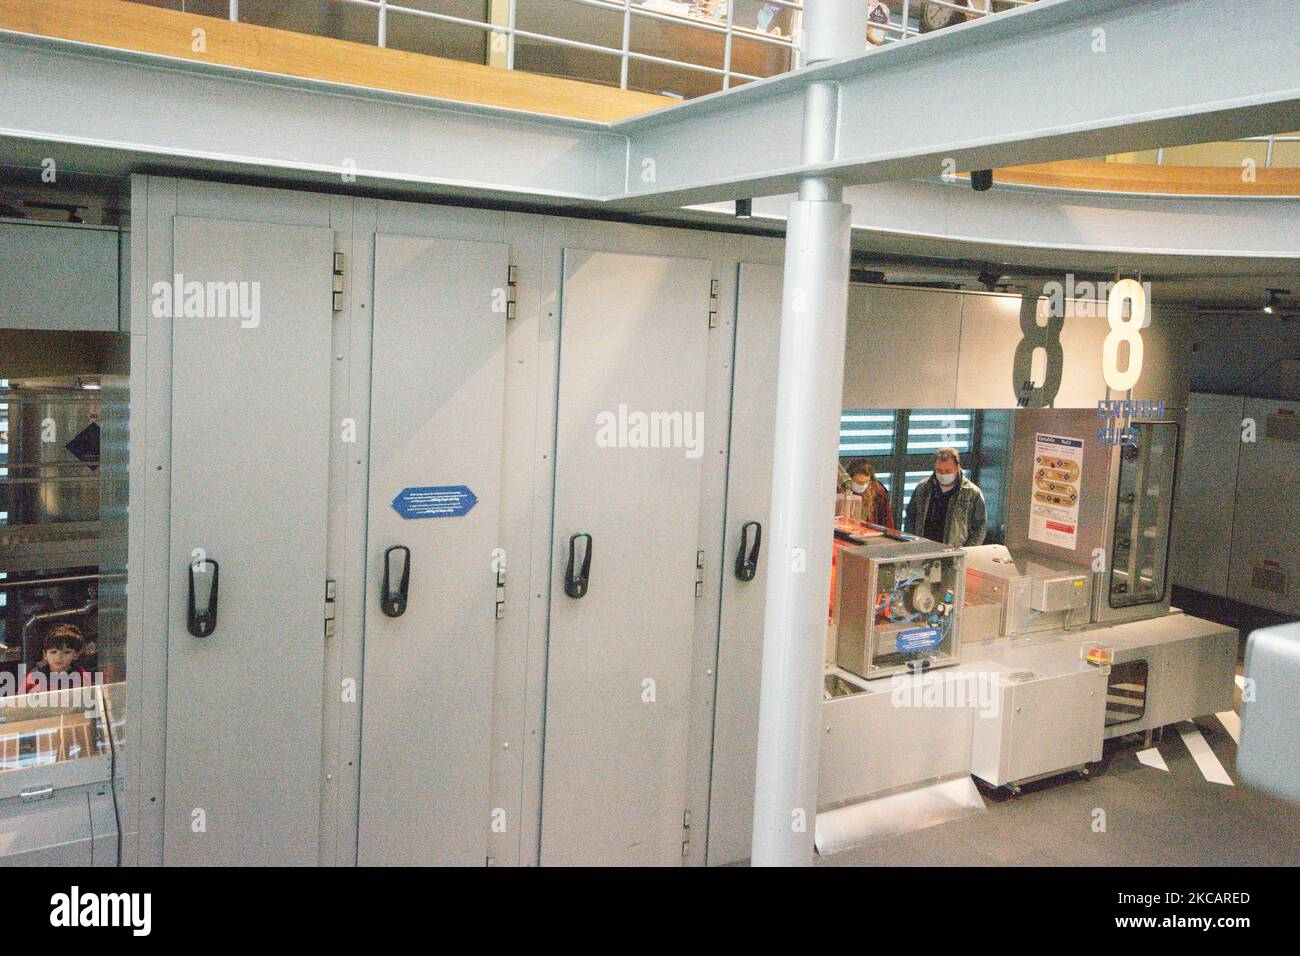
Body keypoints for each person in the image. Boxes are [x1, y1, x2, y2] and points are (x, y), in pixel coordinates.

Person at [906, 448, 987, 546]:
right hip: (923, 549)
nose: (943, 475)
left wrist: (969, 550)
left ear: (958, 468)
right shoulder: (922, 488)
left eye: (948, 471)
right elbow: (910, 517)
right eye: (939, 470)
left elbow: (980, 527)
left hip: (954, 552)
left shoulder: (972, 493)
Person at [22, 623, 92, 694]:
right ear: (45, 654)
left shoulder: (81, 675)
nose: (58, 657)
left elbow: (91, 698)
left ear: (76, 654)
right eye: (53, 652)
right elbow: (18, 701)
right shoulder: (34, 677)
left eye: (66, 652)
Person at [844, 459, 894, 530]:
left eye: (866, 482)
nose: (863, 486)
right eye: (859, 483)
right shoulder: (840, 491)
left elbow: (887, 521)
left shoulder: (879, 491)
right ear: (849, 479)